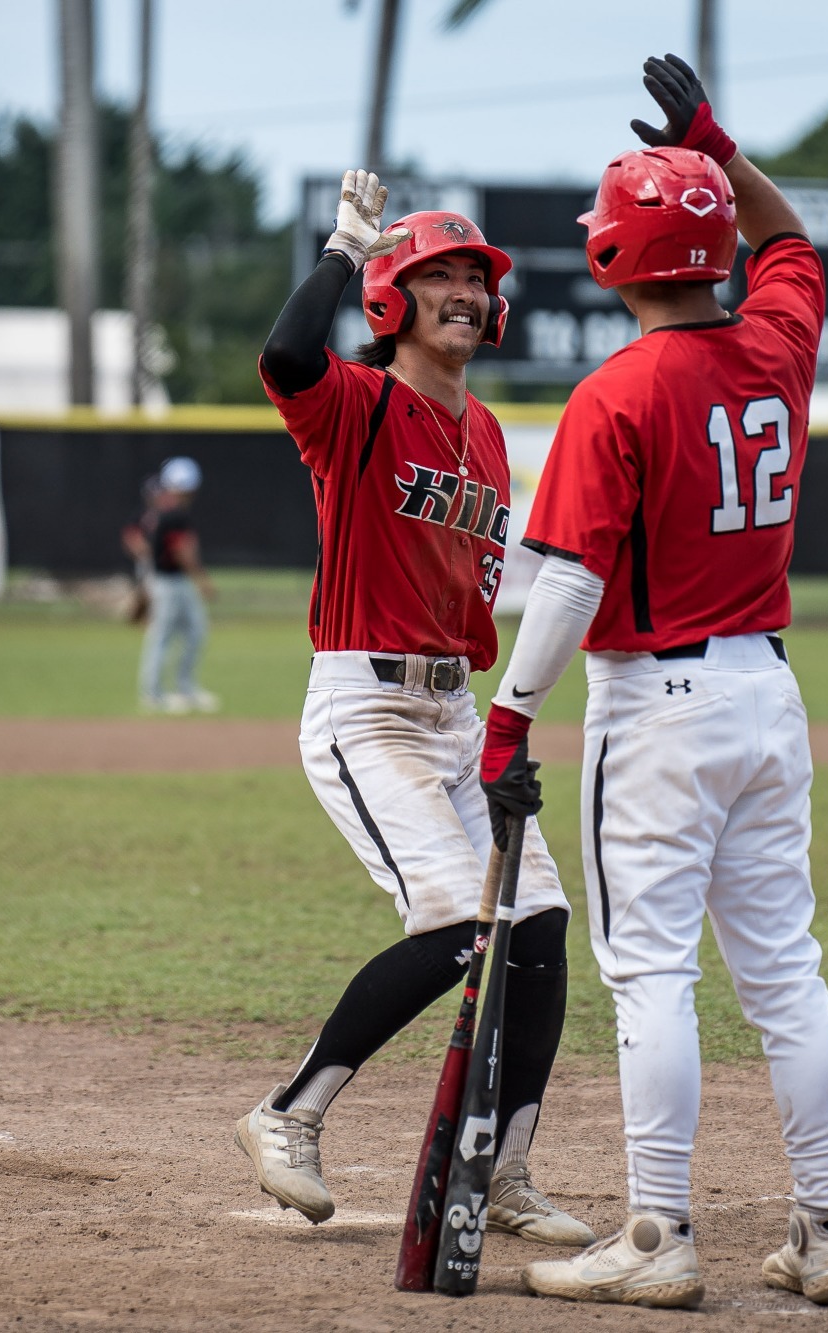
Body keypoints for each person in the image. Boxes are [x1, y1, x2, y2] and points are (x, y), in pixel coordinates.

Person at [478, 57, 828, 1309]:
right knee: (785, 973)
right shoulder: (777, 343)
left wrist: (507, 716)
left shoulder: (615, 392)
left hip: (655, 708)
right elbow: (788, 239)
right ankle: (826, 1230)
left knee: (650, 973)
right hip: (767, 694)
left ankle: (656, 1234)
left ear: (613, 257)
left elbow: (570, 584)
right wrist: (717, 146)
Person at [236, 169, 591, 1246]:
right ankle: (287, 1112)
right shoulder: (358, 402)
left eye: (477, 279)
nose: (465, 294)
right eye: (440, 275)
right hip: (367, 707)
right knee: (451, 924)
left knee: (538, 925)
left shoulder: (486, 434)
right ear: (393, 299)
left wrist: (495, 723)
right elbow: (285, 359)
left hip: (455, 713)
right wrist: (343, 252)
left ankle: (504, 1170)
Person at [124, 456, 218, 714]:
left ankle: (186, 690)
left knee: (195, 632)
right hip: (168, 582)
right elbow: (181, 551)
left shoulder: (162, 510)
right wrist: (202, 580)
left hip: (174, 580)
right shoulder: (173, 513)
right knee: (162, 636)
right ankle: (153, 694)